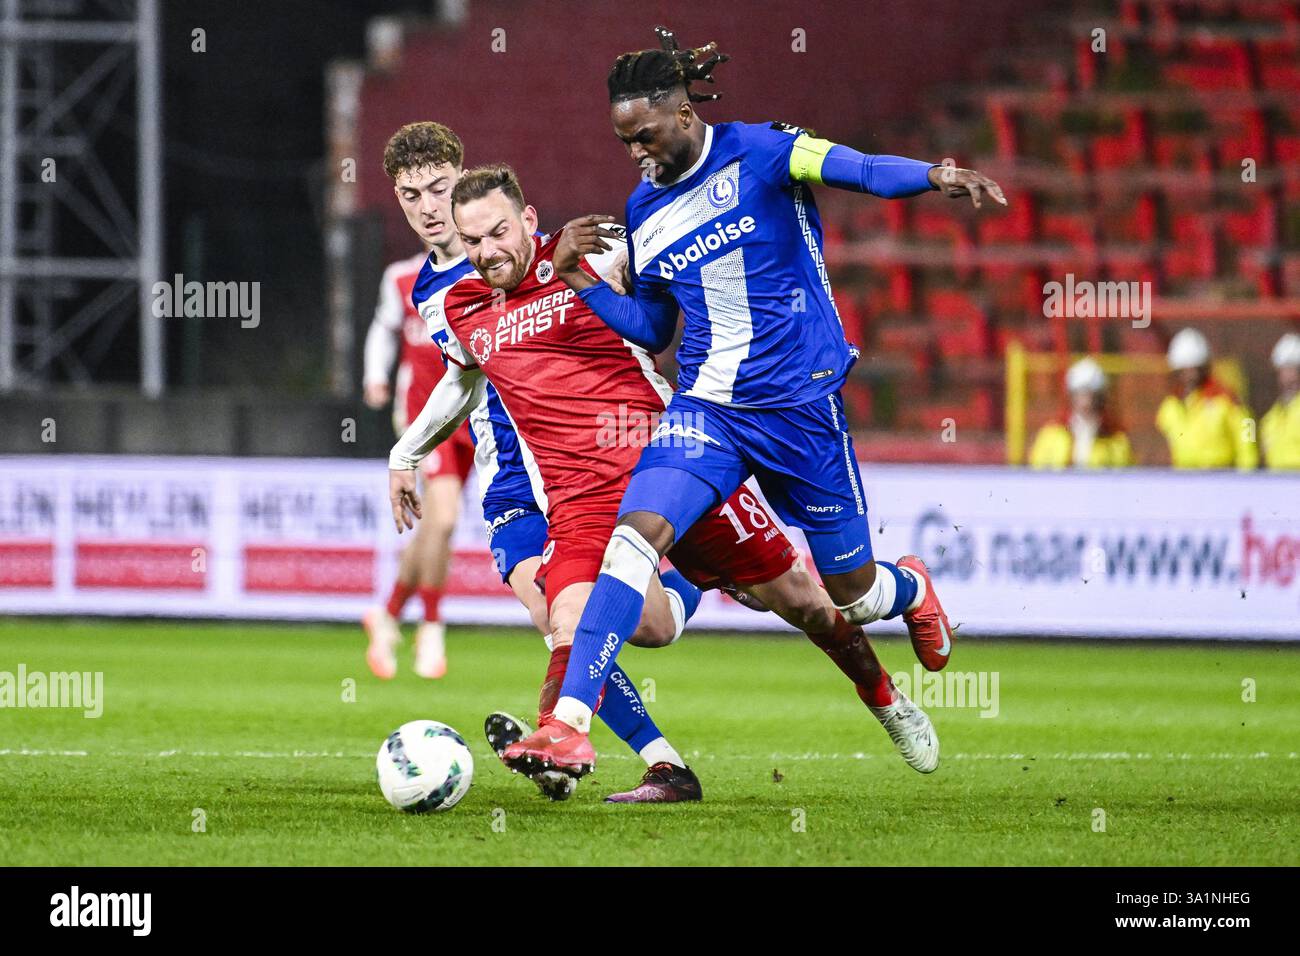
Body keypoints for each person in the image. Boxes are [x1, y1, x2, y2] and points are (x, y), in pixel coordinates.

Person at [504, 29, 1005, 774]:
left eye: (643, 136)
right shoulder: (644, 211)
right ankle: (569, 724)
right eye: (623, 142)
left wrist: (934, 175)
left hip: (801, 407)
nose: (635, 154)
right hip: (708, 410)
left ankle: (908, 587)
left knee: (854, 593)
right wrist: (580, 283)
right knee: (633, 538)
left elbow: (859, 168)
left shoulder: (768, 151)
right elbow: (654, 327)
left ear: (681, 113)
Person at [390, 163, 941, 786]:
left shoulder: (596, 253)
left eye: (497, 233)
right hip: (580, 505)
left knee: (808, 604)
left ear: (528, 220)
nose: (487, 252)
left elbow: (681, 294)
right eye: (472, 242)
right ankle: (573, 739)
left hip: (676, 470)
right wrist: (404, 453)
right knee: (585, 623)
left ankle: (886, 699)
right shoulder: (459, 307)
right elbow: (461, 380)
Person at [378, 121, 700, 802]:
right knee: (559, 620)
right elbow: (461, 382)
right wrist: (408, 451)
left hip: (580, 466)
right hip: (510, 482)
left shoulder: (532, 253)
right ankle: (650, 760)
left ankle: (570, 742)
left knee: (644, 627)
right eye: (412, 196)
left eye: (441, 188)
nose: (429, 206)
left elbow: (624, 281)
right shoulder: (425, 291)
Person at [1156, 327, 1258, 471]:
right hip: (1181, 480)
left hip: (1220, 478)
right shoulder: (1169, 406)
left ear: (1204, 369)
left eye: (1194, 369)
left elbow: (1248, 429)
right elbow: (1163, 445)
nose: (1190, 375)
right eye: (1184, 370)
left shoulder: (1225, 400)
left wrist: (1248, 471)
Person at [1028, 357, 1132, 469]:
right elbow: (1037, 473)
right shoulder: (1051, 435)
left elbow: (1125, 478)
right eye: (1080, 394)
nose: (1085, 401)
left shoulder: (1115, 441)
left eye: (1090, 395)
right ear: (1071, 396)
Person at [1260, 332, 1300, 471]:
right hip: (1277, 485)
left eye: (1292, 370)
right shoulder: (1271, 418)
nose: (1288, 377)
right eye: (1284, 370)